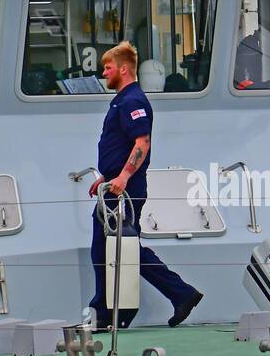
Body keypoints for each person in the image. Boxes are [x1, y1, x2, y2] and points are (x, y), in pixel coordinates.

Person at [87, 41, 204, 329]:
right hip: (116, 186)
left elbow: (142, 142)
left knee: (117, 248)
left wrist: (124, 176)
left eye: (108, 68)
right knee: (111, 248)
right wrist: (109, 174)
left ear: (123, 69)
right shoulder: (123, 100)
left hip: (124, 191)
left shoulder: (132, 102)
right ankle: (175, 295)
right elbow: (125, 145)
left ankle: (108, 311)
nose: (104, 73)